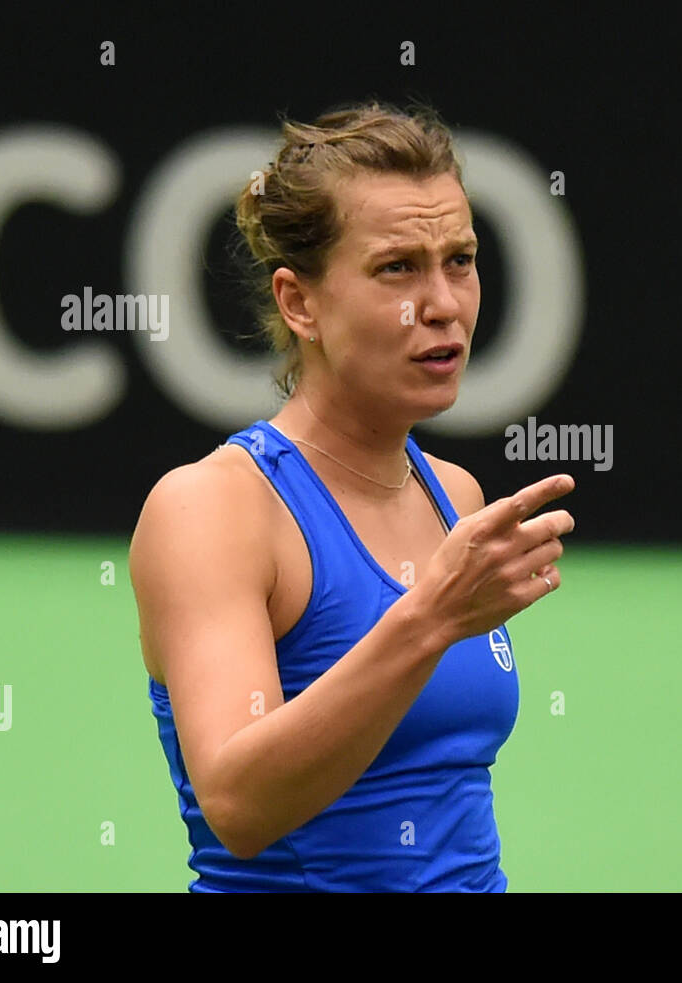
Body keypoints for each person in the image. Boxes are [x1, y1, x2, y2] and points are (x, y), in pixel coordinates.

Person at [128, 100, 575, 892]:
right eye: (397, 267)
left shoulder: (456, 496)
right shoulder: (211, 508)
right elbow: (238, 800)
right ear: (301, 303)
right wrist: (428, 619)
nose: (442, 302)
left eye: (461, 259)